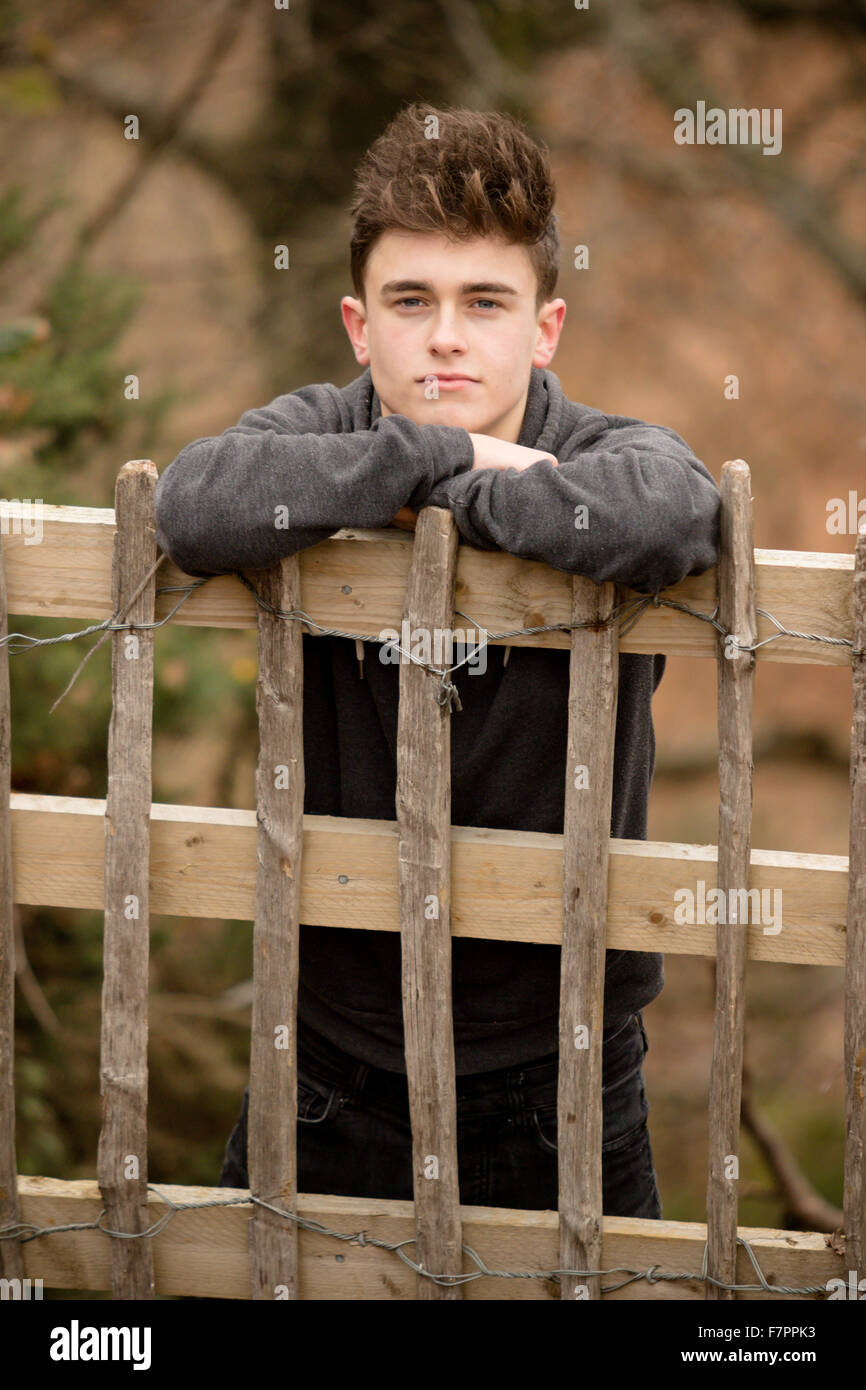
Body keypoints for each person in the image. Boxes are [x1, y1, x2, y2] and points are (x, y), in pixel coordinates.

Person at [154, 102, 721, 1220]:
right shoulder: (312, 428)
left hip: (559, 1061)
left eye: (484, 304)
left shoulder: (607, 453)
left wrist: (450, 490)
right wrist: (443, 453)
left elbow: (676, 515)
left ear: (544, 328)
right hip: (329, 1055)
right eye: (411, 303)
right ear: (359, 325)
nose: (445, 338)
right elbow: (192, 502)